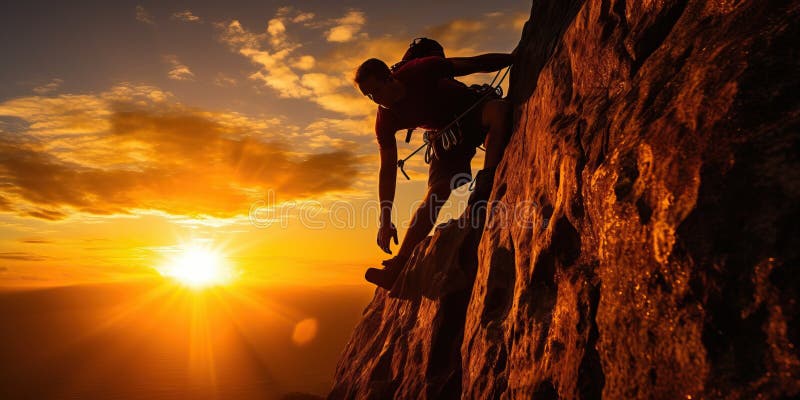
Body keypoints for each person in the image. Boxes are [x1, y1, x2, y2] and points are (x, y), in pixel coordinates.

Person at [355, 52, 514, 289]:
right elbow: (387, 169)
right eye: (369, 95)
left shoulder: (420, 70)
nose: (375, 99)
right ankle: (399, 266)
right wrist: (385, 219)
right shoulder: (385, 118)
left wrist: (514, 56)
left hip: (472, 110)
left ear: (389, 77)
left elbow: (472, 63)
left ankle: (486, 182)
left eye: (376, 90)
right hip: (446, 136)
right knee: (436, 193)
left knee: (498, 111)